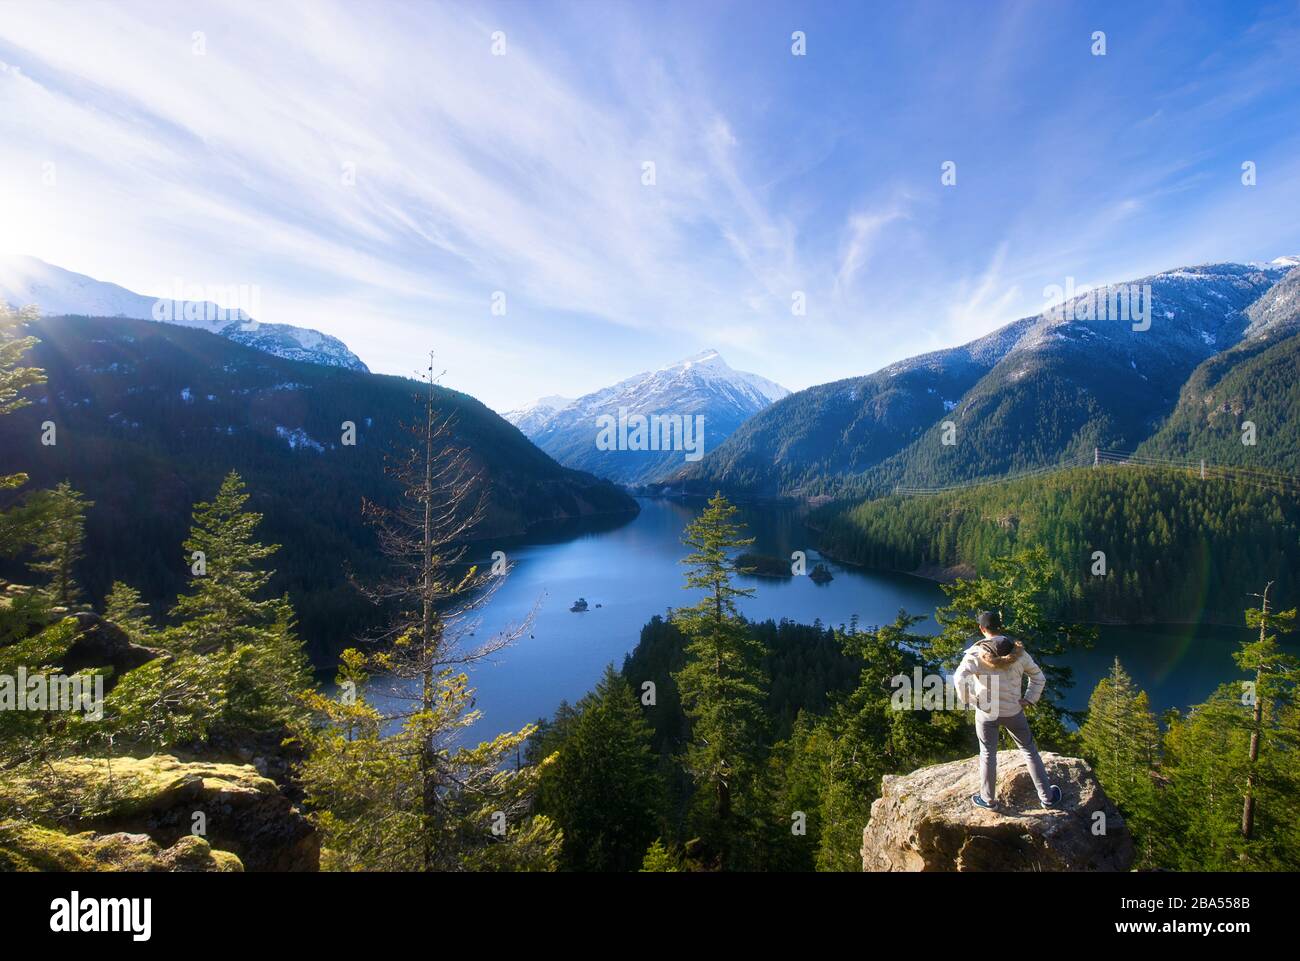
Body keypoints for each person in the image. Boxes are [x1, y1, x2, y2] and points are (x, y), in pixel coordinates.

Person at [952, 610, 1062, 810]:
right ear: (1000, 627)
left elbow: (958, 678)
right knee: (1029, 751)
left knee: (987, 754)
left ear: (982, 629)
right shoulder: (1018, 653)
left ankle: (988, 800)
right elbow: (1039, 678)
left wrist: (970, 699)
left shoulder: (976, 655)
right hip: (1014, 711)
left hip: (986, 712)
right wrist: (1029, 699)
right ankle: (1047, 797)